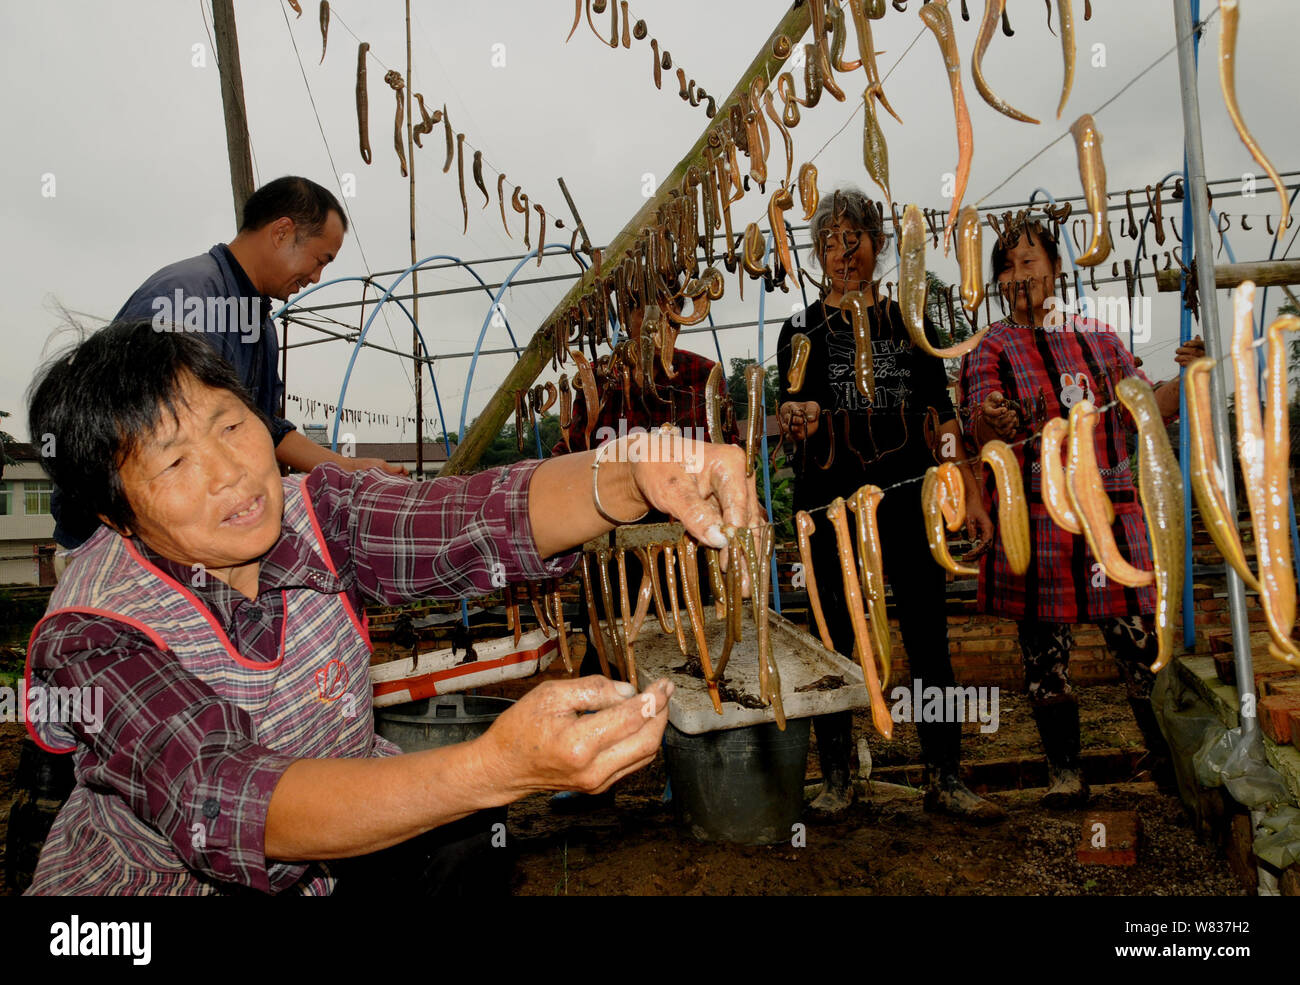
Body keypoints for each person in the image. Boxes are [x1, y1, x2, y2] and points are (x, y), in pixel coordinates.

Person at [22, 320, 761, 895]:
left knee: (464, 836)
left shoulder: (323, 516)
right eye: (175, 460)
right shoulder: (91, 632)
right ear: (116, 515)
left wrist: (631, 475)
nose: (230, 473)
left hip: (335, 859)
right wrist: (492, 766)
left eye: (230, 423)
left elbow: (461, 516)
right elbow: (229, 798)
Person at [957, 216, 1203, 807]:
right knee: (1045, 657)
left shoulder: (1100, 337)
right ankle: (1066, 775)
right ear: (997, 282)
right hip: (1035, 518)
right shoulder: (990, 345)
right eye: (1008, 266)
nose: (1020, 275)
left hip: (1110, 516)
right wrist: (994, 416)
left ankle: (1169, 767)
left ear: (1056, 267)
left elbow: (1147, 408)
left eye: (1030, 260)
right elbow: (975, 426)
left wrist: (1187, 377)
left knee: (1140, 646)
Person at [775, 187, 1002, 822]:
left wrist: (971, 490)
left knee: (929, 638)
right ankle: (839, 778)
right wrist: (800, 416)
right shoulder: (801, 330)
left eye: (854, 239)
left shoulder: (911, 322)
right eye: (828, 242)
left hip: (911, 503)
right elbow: (796, 406)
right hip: (831, 509)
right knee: (834, 641)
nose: (842, 253)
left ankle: (944, 776)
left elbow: (946, 415)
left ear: (877, 245)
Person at [51, 176, 403, 550]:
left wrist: (347, 469)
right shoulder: (188, 298)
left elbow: (265, 427)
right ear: (282, 232)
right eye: (320, 260)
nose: (316, 278)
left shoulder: (258, 319)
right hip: (121, 536)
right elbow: (145, 436)